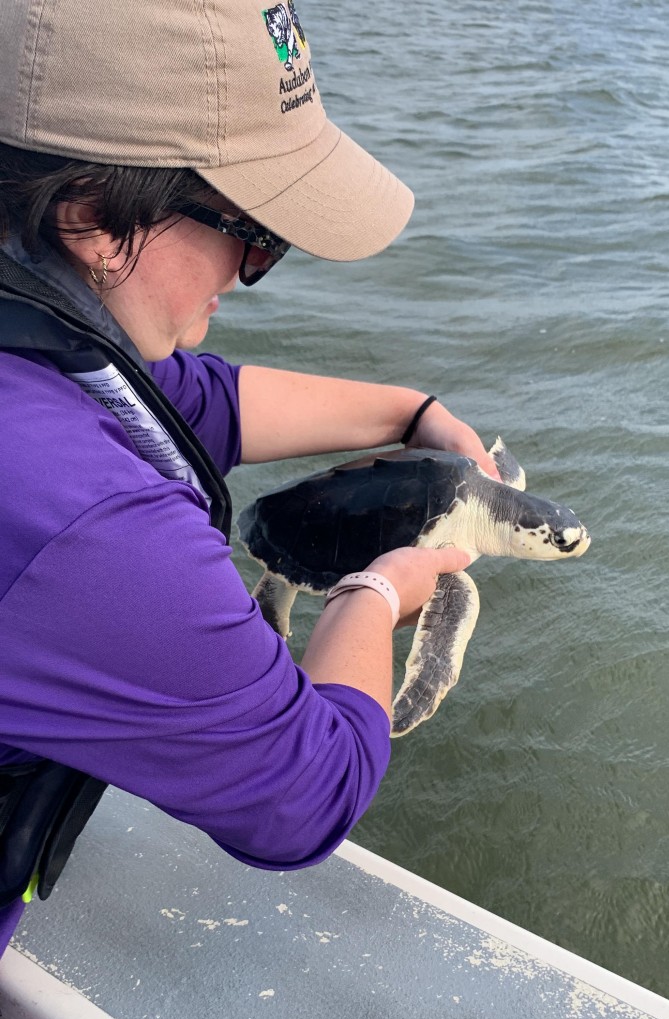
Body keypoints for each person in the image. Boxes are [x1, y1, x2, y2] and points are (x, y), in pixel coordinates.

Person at [0, 0, 501, 966]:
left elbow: (183, 397)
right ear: (96, 217)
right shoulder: (88, 521)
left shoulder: (32, 307)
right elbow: (302, 793)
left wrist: (412, 411)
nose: (253, 266)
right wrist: (377, 593)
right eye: (253, 236)